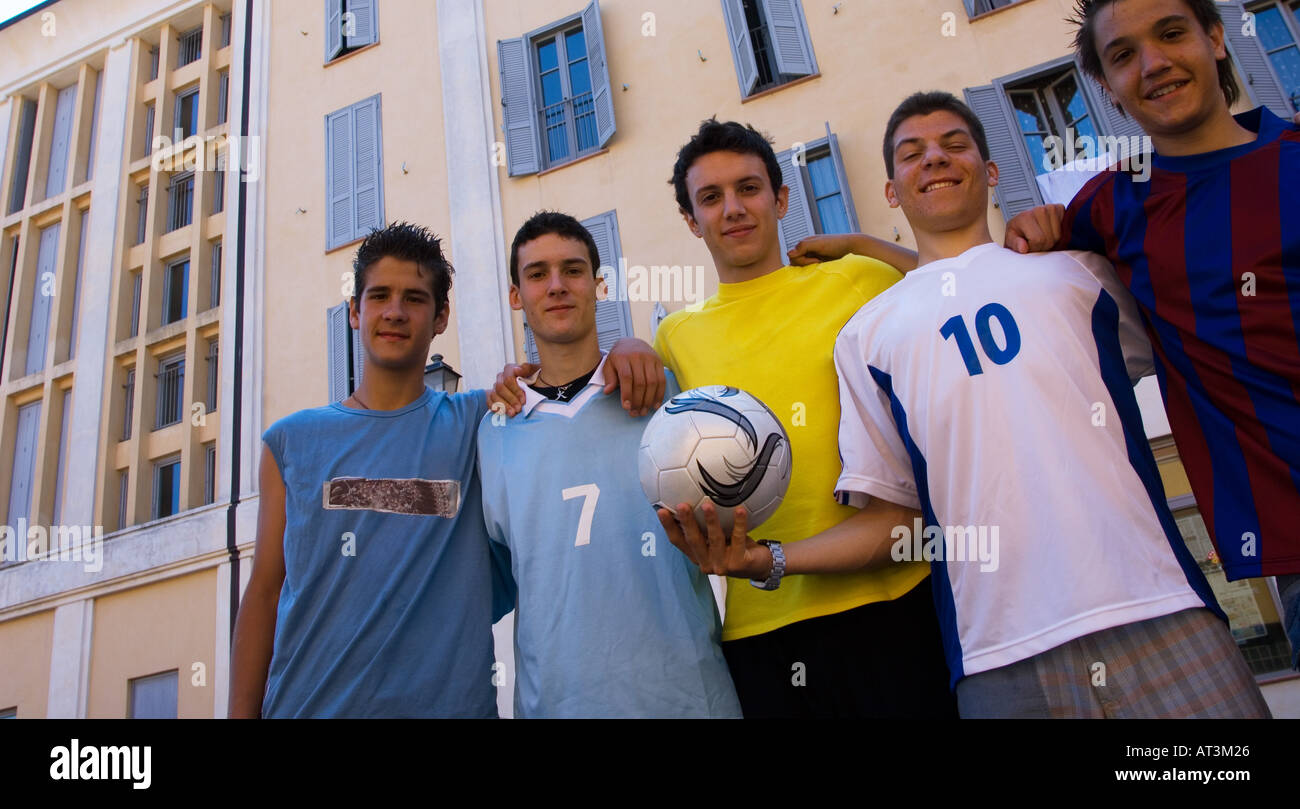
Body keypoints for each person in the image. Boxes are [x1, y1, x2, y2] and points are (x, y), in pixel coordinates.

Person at [666, 92, 1271, 717]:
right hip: (987, 653)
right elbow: (897, 515)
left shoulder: (1070, 273)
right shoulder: (857, 333)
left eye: (954, 146)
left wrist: (872, 244)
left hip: (1150, 610)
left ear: (992, 170)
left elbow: (1208, 351)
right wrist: (769, 561)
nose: (935, 160)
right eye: (912, 154)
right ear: (892, 189)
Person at [1001, 0, 1300, 668]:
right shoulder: (1113, 203)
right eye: (1124, 55)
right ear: (1105, 86)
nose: (1154, 64)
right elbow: (988, 283)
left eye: (1171, 34)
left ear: (1215, 37)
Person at [653, 119, 953, 718]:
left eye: (749, 188)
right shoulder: (674, 338)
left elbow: (955, 278)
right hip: (764, 626)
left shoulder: (857, 279)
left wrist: (867, 244)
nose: (733, 209)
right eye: (711, 198)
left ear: (780, 198)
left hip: (897, 598)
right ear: (692, 221)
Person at [229, 222, 510, 717]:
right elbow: (265, 591)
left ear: (441, 316)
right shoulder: (289, 443)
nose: (395, 312)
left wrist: (627, 350)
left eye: (415, 299)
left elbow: (564, 381)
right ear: (355, 312)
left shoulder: (478, 423)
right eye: (379, 296)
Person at [476, 211, 740, 718]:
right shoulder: (492, 431)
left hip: (688, 696)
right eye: (537, 274)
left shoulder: (664, 393)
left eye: (573, 270)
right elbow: (492, 582)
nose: (556, 286)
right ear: (516, 296)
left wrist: (636, 344)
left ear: (598, 285)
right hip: (557, 704)